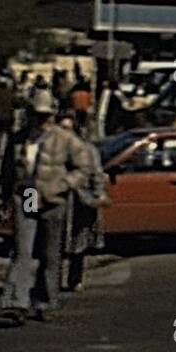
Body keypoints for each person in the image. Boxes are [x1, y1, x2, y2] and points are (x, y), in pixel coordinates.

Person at [0, 89, 94, 326]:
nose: (41, 120)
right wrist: (5, 197)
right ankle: (17, 303)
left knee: (50, 254)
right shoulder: (19, 139)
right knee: (23, 251)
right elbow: (8, 170)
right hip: (28, 194)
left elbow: (83, 168)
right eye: (37, 115)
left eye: (45, 115)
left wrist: (64, 185)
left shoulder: (65, 139)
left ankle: (45, 302)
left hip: (53, 197)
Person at [58, 113, 109, 293]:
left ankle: (75, 279)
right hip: (58, 202)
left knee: (79, 243)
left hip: (81, 201)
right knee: (54, 245)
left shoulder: (87, 150)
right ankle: (51, 283)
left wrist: (98, 196)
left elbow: (96, 174)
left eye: (68, 129)